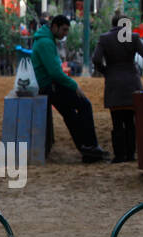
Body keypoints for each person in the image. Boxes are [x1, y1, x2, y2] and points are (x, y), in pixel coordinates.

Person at [92, 10, 143, 163]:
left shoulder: (104, 38)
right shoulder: (133, 38)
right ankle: (130, 154)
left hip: (114, 85)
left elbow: (96, 59)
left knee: (117, 122)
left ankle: (119, 156)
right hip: (132, 84)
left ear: (113, 24)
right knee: (131, 122)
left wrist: (106, 71)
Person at [31, 15, 109, 163]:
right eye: (64, 30)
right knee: (84, 105)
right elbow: (55, 72)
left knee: (70, 115)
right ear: (55, 27)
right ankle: (91, 146)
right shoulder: (46, 42)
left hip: (47, 86)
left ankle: (86, 149)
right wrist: (74, 85)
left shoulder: (44, 39)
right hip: (51, 85)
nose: (65, 34)